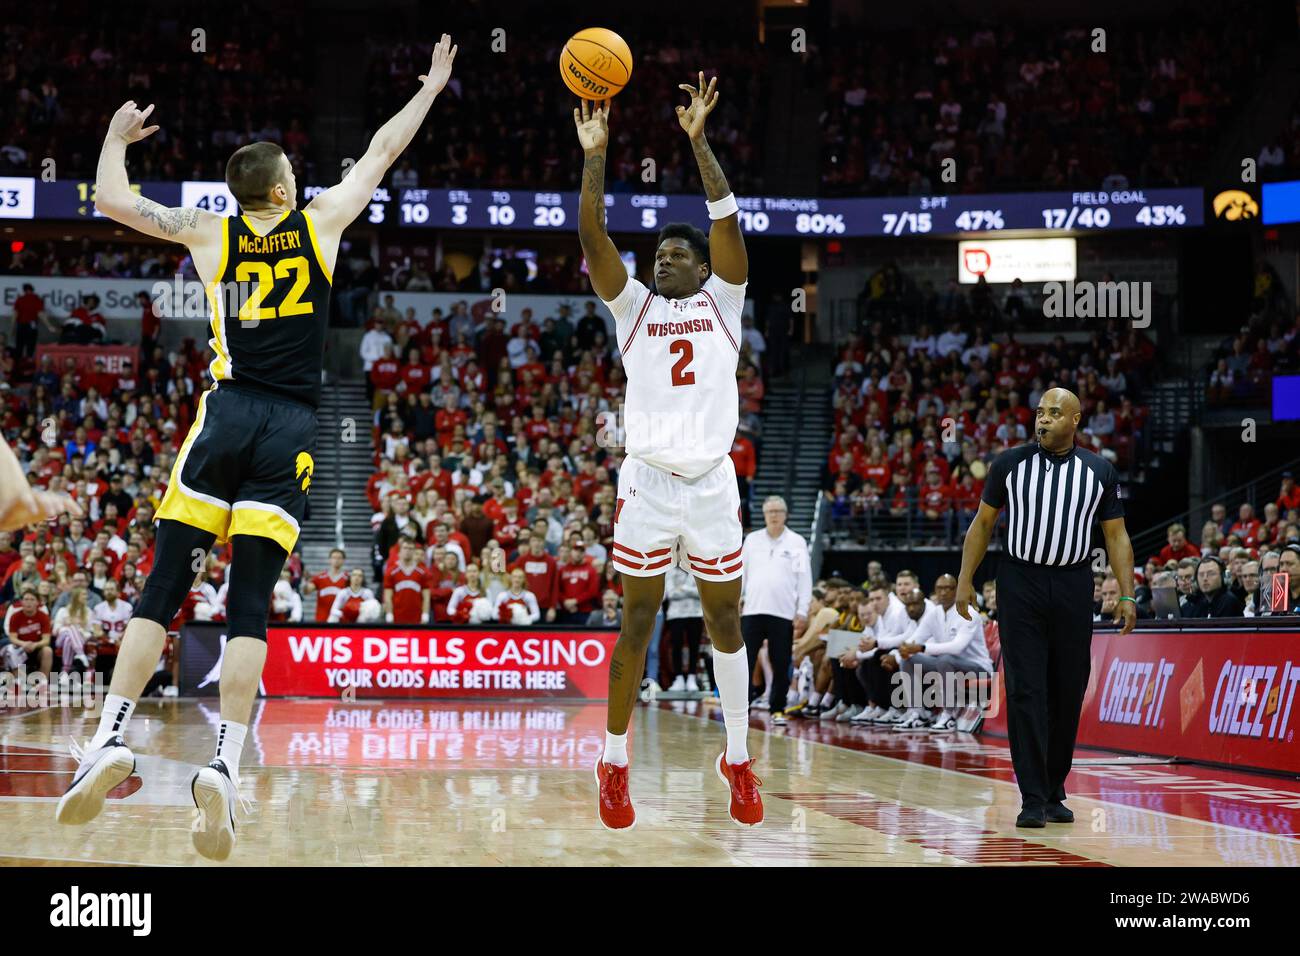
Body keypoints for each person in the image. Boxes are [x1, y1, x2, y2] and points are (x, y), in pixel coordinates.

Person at [54, 37, 459, 861]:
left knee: (162, 588)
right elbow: (384, 149)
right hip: (291, 427)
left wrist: (116, 136)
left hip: (226, 413)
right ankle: (225, 767)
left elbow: (107, 197)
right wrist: (433, 86)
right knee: (248, 606)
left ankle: (107, 741)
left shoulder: (208, 234)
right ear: (281, 189)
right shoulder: (321, 224)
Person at [577, 76, 762, 829]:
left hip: (714, 485)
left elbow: (727, 218)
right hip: (649, 485)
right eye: (656, 254)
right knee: (637, 624)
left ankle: (739, 760)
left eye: (674, 255)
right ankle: (614, 764)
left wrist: (698, 141)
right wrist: (596, 155)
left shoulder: (724, 301)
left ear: (699, 267)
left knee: (726, 625)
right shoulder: (633, 309)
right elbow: (592, 238)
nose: (661, 262)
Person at [955, 387, 1136, 828]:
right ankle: (1032, 795)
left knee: (1068, 689)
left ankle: (1056, 788)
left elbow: (1116, 536)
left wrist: (1128, 593)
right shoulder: (1008, 464)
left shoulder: (1099, 471)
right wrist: (965, 581)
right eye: (1040, 412)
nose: (1044, 420)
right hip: (1020, 582)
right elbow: (982, 525)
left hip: (1074, 583)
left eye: (1055, 413)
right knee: (1025, 690)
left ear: (1075, 420)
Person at [739, 496, 811, 716]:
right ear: (764, 514)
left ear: (785, 514)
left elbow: (804, 578)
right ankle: (742, 709)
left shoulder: (797, 542)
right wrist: (737, 599)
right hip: (752, 610)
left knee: (781, 662)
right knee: (745, 662)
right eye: (770, 511)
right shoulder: (751, 540)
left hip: (783, 612)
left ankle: (777, 708)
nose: (774, 515)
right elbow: (741, 572)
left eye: (778, 511)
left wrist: (802, 609)